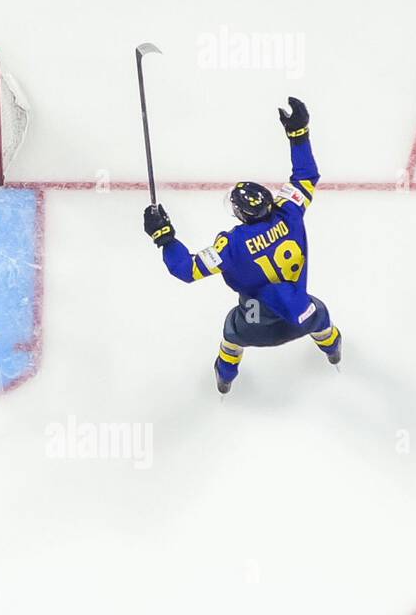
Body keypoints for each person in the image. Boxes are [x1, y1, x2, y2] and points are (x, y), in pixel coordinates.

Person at [143, 97, 341, 393]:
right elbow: (306, 177)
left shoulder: (231, 245)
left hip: (254, 326)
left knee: (231, 336)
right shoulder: (290, 211)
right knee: (322, 318)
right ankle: (333, 352)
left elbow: (186, 270)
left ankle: (225, 380)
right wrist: (299, 134)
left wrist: (165, 238)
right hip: (301, 315)